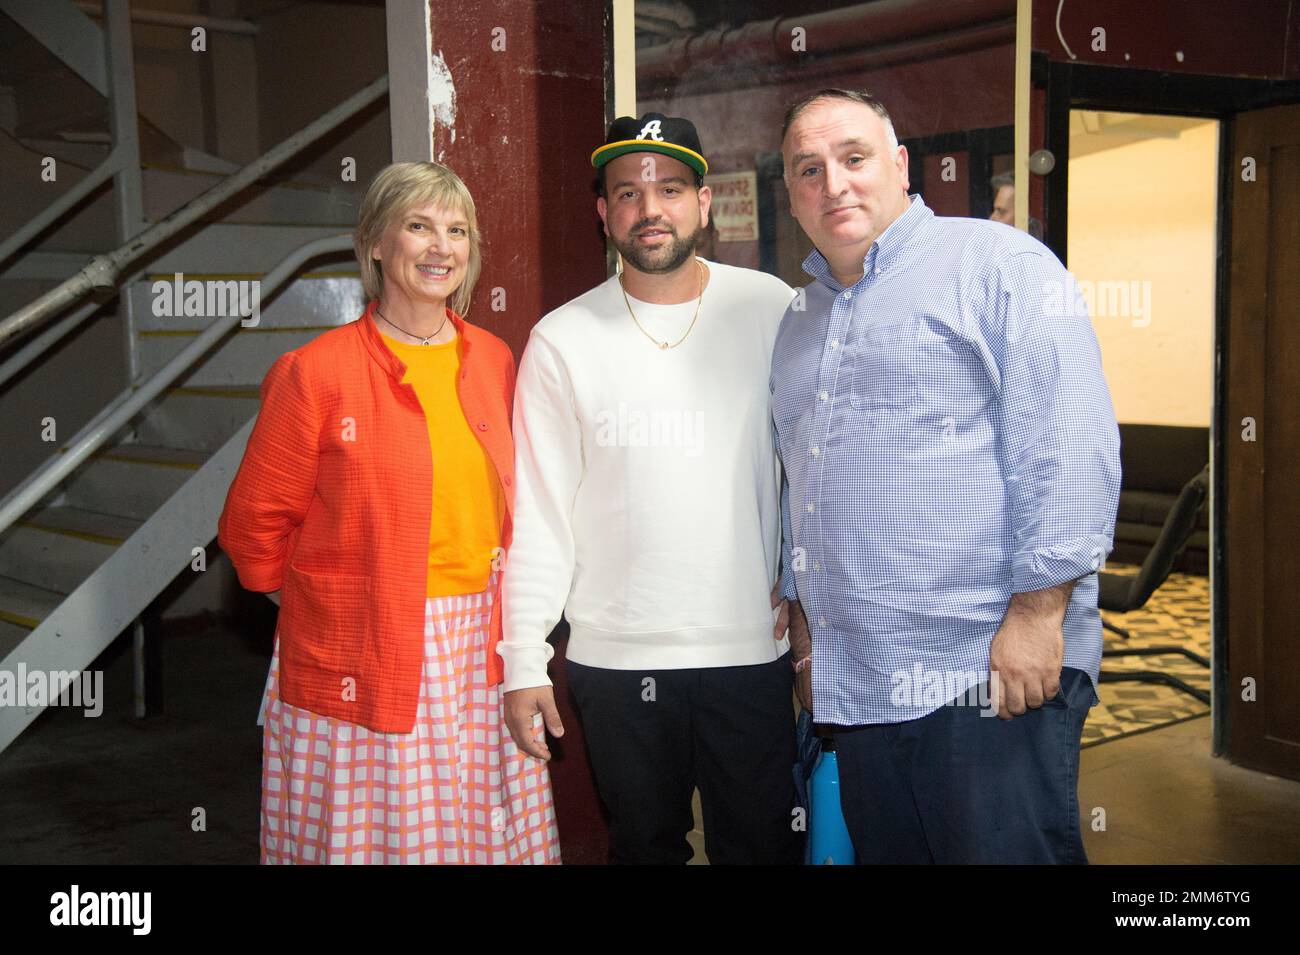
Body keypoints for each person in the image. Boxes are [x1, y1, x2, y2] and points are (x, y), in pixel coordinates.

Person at [772, 89, 1120, 864]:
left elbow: (1066, 442)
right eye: (808, 169)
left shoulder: (1001, 265)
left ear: (899, 166)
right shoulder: (799, 321)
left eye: (854, 158)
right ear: (791, 194)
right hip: (859, 686)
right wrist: (806, 643)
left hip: (984, 676)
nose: (833, 184)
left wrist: (1037, 615)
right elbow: (805, 490)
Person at [218, 161, 560, 865]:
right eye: (419, 226)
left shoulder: (493, 358)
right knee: (382, 841)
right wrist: (334, 603)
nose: (442, 247)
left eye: (457, 230)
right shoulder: (316, 371)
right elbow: (253, 526)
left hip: (481, 645)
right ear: (375, 243)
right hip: (363, 652)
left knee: (474, 835)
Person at [500, 113, 801, 864]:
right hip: (616, 657)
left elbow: (816, 471)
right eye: (627, 193)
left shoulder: (772, 310)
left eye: (669, 187)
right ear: (604, 214)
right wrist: (523, 657)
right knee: (643, 848)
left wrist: (805, 591)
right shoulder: (561, 339)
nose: (650, 208)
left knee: (765, 847)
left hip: (748, 649)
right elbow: (540, 512)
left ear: (706, 203)